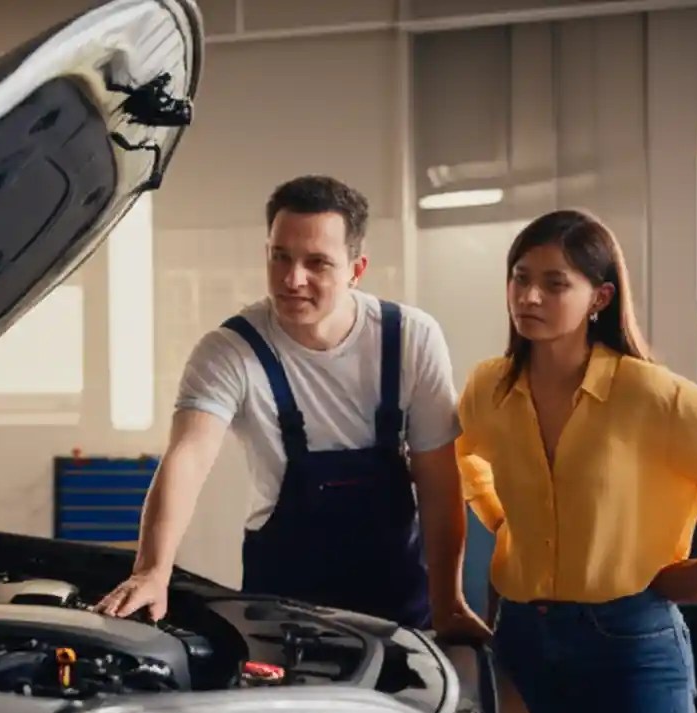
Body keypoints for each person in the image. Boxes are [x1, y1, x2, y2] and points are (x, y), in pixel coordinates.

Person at [93, 174, 490, 640]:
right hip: (282, 600)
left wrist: (450, 602)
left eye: (316, 263)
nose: (291, 279)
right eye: (280, 256)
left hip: (397, 601)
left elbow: (439, 480)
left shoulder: (410, 338)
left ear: (356, 270)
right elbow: (189, 457)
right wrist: (153, 570)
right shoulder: (230, 350)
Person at [455, 209, 697, 713]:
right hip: (522, 634)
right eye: (520, 278)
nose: (529, 297)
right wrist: (502, 520)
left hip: (628, 637)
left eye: (554, 284)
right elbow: (458, 454)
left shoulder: (646, 393)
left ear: (599, 297)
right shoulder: (488, 386)